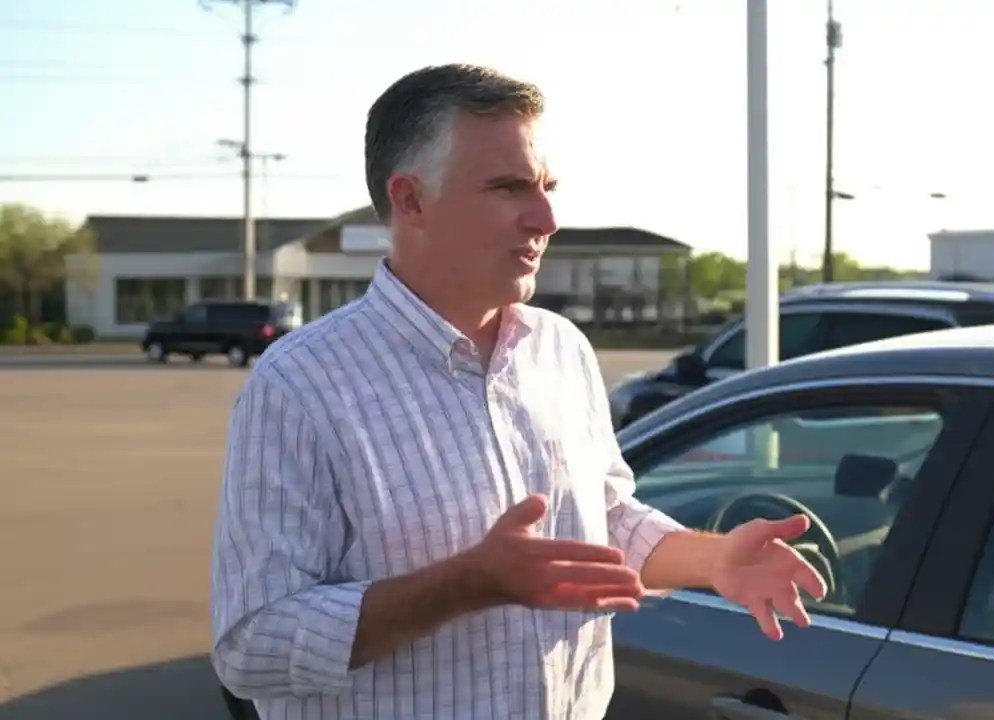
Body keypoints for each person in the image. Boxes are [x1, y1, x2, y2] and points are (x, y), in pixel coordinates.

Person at [210, 63, 827, 720]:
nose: (546, 217)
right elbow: (253, 644)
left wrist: (713, 558)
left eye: (548, 186)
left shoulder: (558, 349)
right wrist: (468, 584)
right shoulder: (301, 384)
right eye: (509, 188)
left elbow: (604, 522)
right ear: (411, 200)